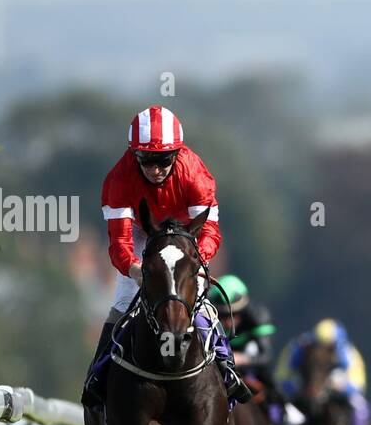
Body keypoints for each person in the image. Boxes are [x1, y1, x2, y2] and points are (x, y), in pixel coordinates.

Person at [81, 104, 251, 408]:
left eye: (164, 160)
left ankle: (227, 370)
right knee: (122, 304)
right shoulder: (119, 180)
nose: (155, 169)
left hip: (187, 235)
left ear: (178, 153)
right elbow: (119, 242)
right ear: (135, 155)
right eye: (147, 160)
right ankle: (98, 374)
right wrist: (134, 270)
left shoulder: (196, 174)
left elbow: (211, 232)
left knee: (200, 303)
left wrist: (196, 260)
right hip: (142, 232)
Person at [209, 274, 304, 425]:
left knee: (258, 360)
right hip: (222, 358)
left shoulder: (258, 315)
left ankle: (282, 406)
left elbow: (266, 356)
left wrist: (242, 358)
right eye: (222, 315)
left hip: (249, 361)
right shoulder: (208, 317)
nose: (227, 323)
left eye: (233, 314)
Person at [276, 318, 371, 425]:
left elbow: (359, 386)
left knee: (360, 406)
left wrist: (343, 388)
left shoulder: (349, 353)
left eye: (329, 347)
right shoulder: (299, 347)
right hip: (303, 385)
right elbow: (282, 378)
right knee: (278, 405)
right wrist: (296, 387)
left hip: (339, 386)